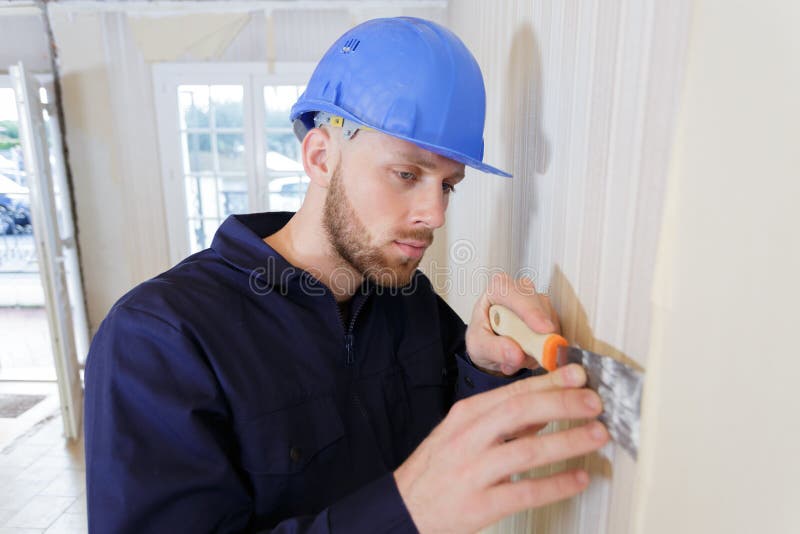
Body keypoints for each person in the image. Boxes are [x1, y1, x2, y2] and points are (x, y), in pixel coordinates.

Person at [84, 17, 609, 533]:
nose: (436, 214)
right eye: (407, 174)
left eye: (448, 184)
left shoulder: (407, 299)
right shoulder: (159, 338)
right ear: (320, 157)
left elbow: (456, 457)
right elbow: (424, 498)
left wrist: (483, 364)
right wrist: (402, 513)